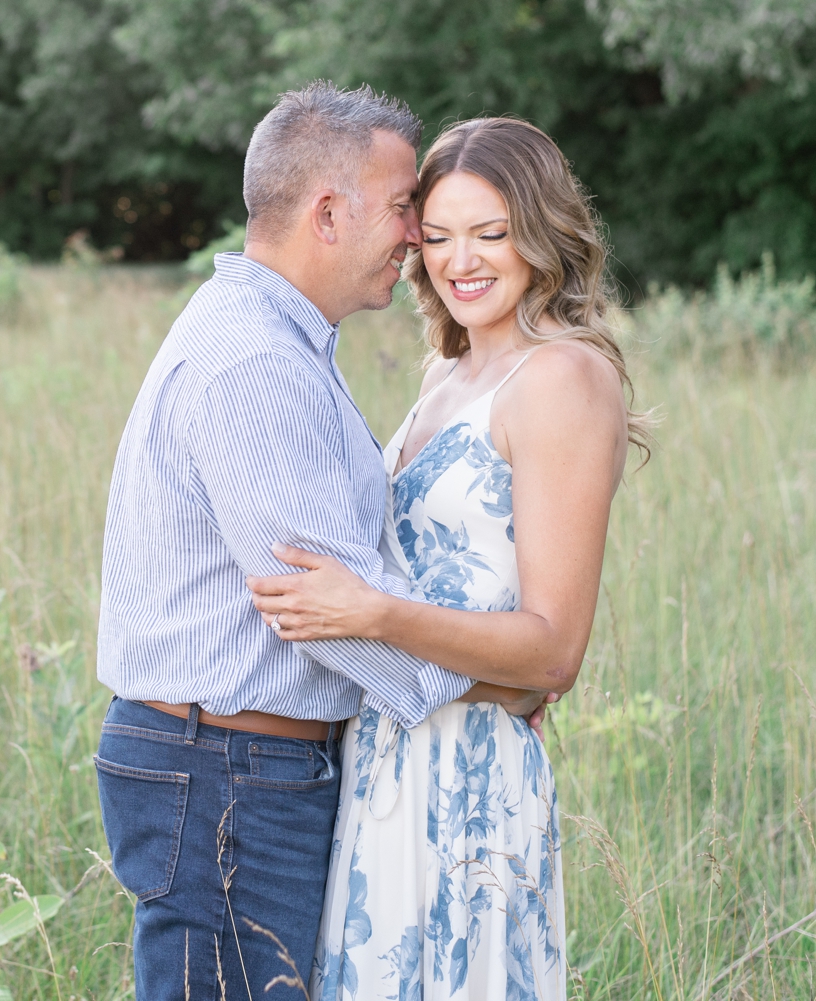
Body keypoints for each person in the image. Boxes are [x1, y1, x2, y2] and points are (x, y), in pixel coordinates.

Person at [93, 84, 547, 1001]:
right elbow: (322, 607)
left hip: (244, 768)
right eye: (400, 209)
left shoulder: (282, 340)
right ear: (328, 213)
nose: (414, 236)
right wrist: (499, 679)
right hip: (226, 774)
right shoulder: (255, 359)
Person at [247, 117, 653, 999]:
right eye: (435, 236)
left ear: (541, 234)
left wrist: (374, 616)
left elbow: (552, 650)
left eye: (490, 233)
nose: (458, 260)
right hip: (387, 751)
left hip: (466, 777)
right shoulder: (448, 369)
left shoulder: (563, 378)